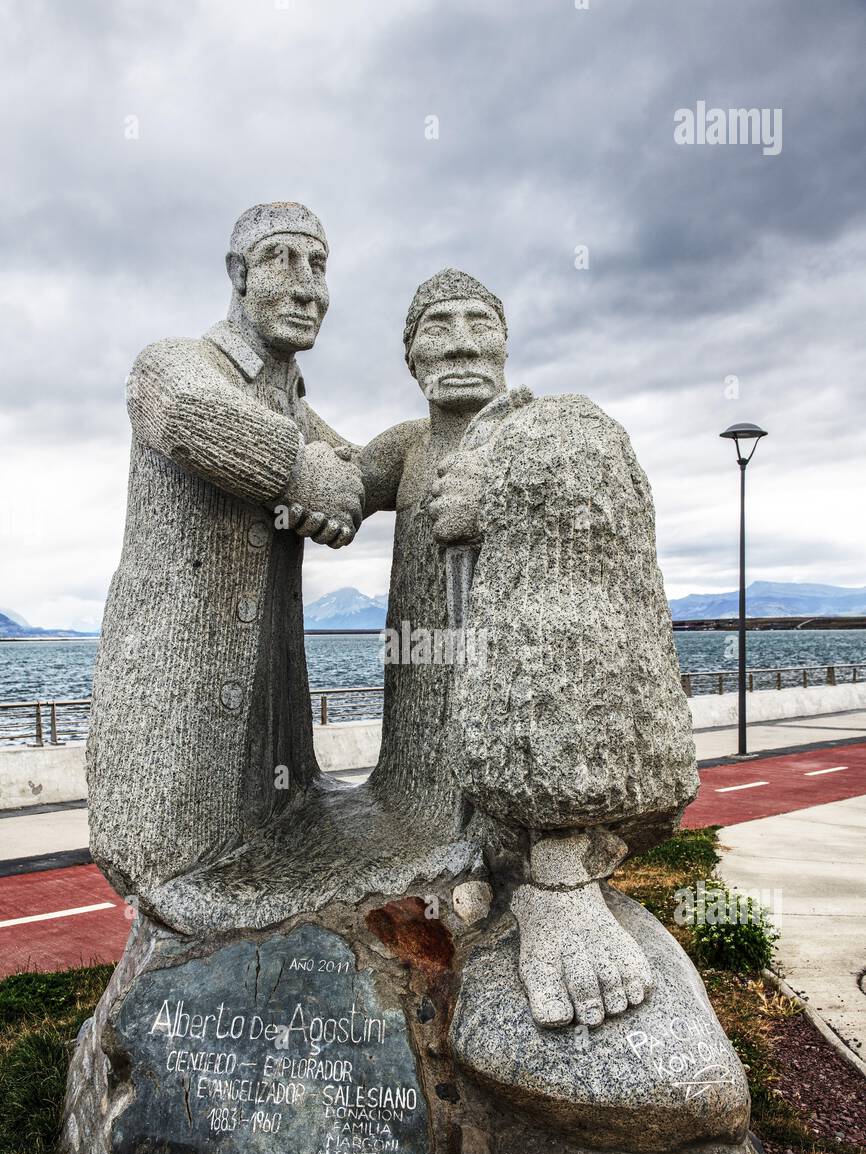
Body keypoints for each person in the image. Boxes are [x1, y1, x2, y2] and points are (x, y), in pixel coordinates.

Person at [360, 269, 699, 1028]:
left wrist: (501, 493)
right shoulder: (406, 448)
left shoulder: (539, 429)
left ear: (506, 343)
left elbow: (595, 511)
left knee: (575, 438)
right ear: (410, 354)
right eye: (436, 326)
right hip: (416, 742)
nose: (461, 342)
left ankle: (557, 867)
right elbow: (339, 485)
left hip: (509, 729)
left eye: (479, 322)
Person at [88, 202, 364, 900]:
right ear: (238, 274)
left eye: (320, 266)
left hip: (269, 757)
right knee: (178, 886)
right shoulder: (173, 362)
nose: (307, 287)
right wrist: (305, 475)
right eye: (283, 259)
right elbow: (187, 413)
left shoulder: (293, 403)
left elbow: (359, 469)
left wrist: (453, 438)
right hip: (174, 742)